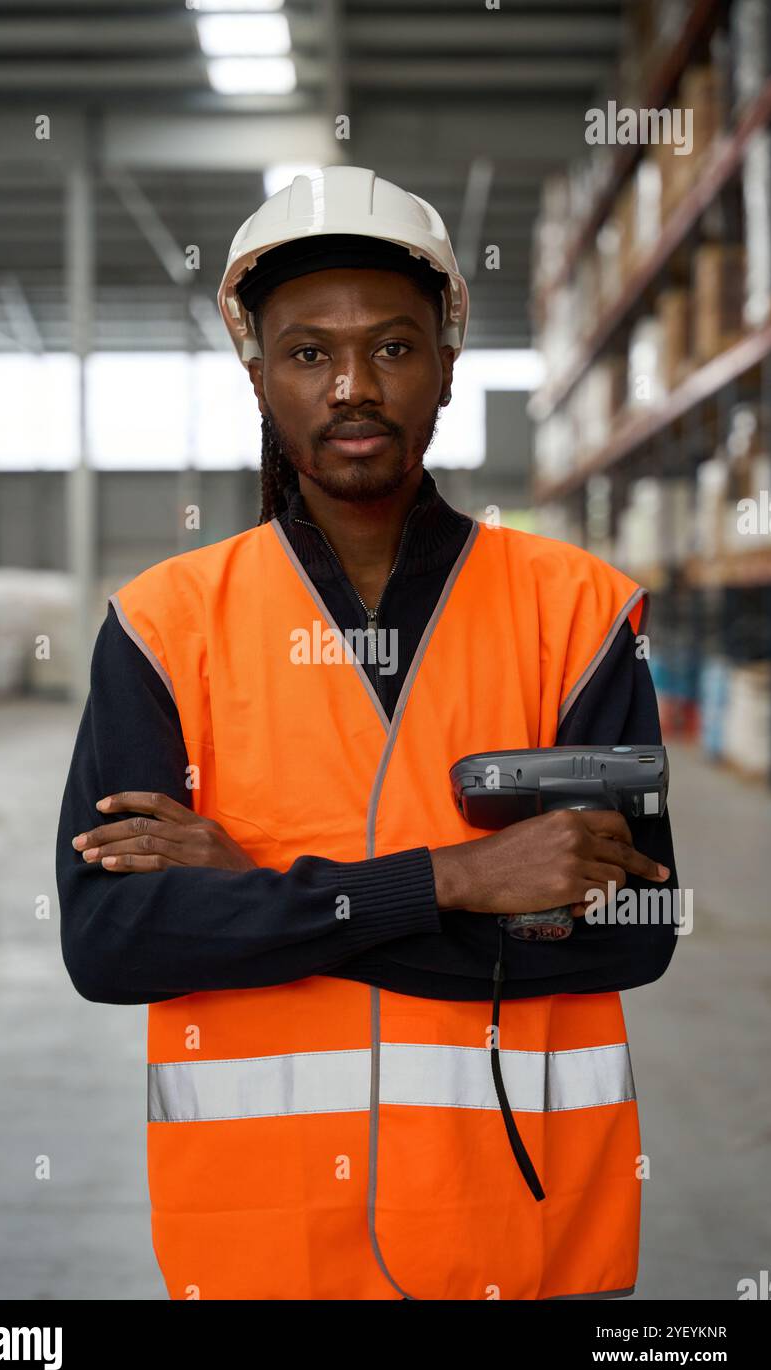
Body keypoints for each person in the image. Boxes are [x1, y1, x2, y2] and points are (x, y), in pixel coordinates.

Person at [56, 166, 680, 1301]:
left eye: (392, 348)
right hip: (261, 1250)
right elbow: (113, 944)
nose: (352, 386)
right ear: (257, 374)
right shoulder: (161, 626)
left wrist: (247, 892)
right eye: (306, 353)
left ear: (445, 364)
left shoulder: (578, 616)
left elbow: (630, 933)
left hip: (523, 1234)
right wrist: (453, 877)